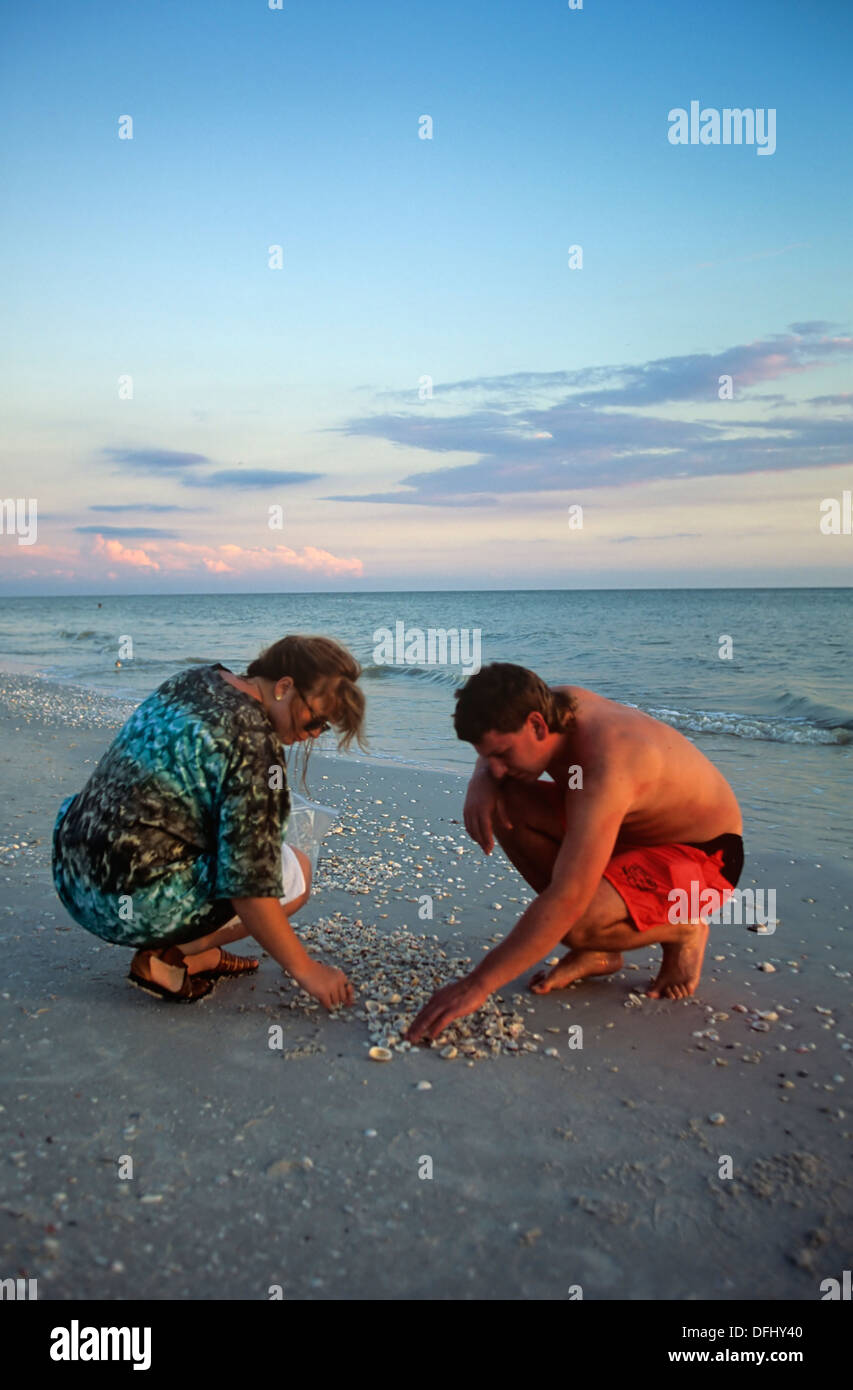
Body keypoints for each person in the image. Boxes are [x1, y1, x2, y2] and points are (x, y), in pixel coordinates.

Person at [407, 663, 743, 1042]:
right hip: (623, 832)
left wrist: (477, 984)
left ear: (536, 725)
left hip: (704, 856)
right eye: (488, 756)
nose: (497, 769)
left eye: (502, 754)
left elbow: (567, 899)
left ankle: (685, 929)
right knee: (506, 802)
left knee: (575, 919)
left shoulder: (606, 764)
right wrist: (480, 780)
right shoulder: (554, 704)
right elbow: (497, 751)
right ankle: (602, 950)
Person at [52, 635, 365, 1008]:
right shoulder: (256, 748)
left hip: (73, 870)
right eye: (315, 719)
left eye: (325, 727)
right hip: (122, 904)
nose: (314, 733)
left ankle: (197, 954)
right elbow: (250, 886)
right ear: (284, 687)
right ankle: (169, 956)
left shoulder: (195, 679)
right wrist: (307, 970)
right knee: (295, 871)